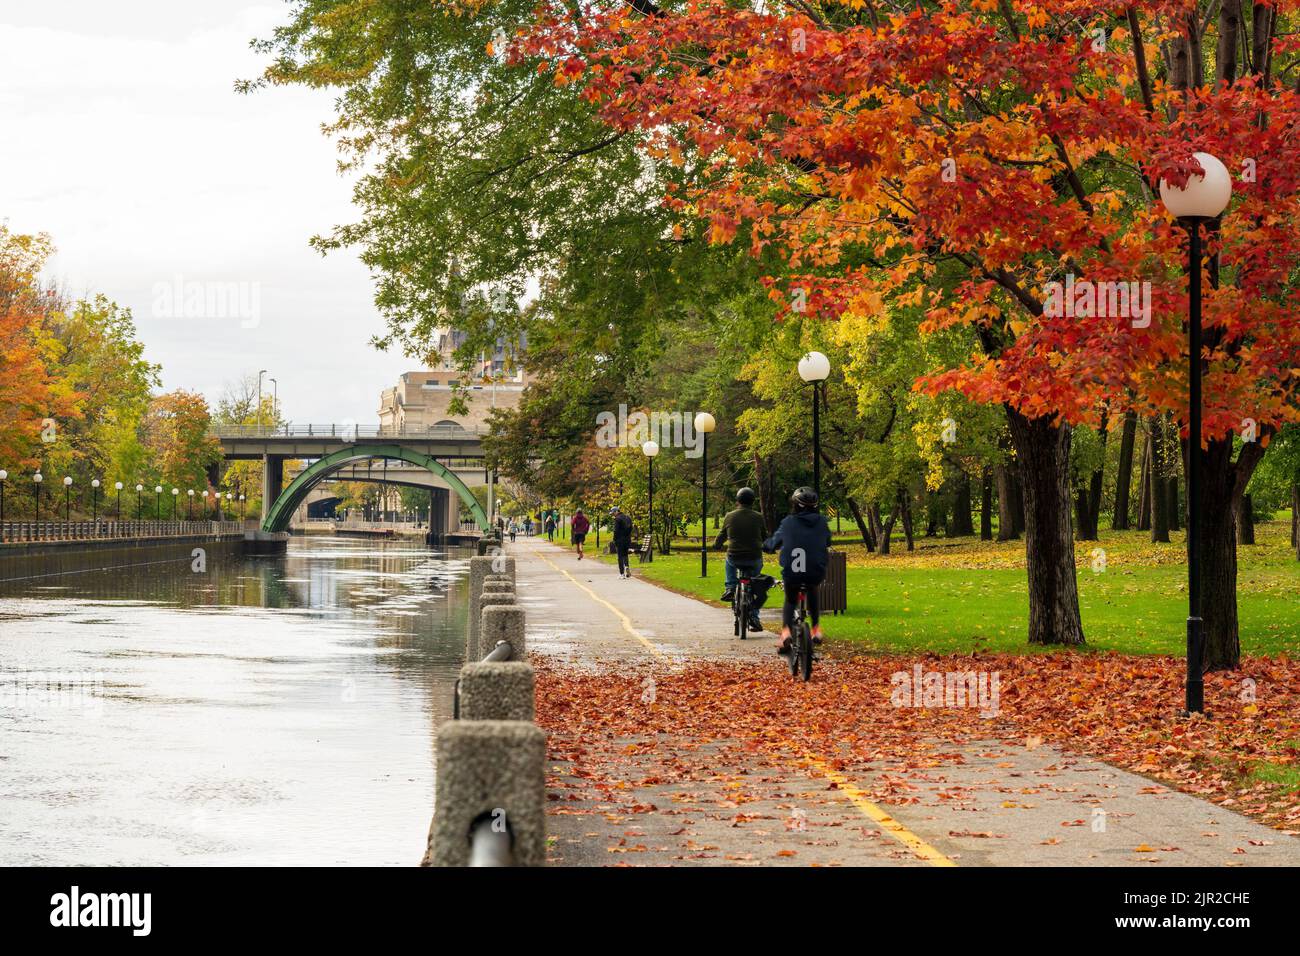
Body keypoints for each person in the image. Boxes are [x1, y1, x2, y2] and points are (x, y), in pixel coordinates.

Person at [763, 486, 831, 656]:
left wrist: (767, 546)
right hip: (815, 570)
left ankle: (786, 632)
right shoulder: (822, 521)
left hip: (793, 572)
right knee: (812, 589)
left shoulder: (788, 522)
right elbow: (828, 541)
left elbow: (774, 542)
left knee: (790, 599)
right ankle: (815, 628)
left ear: (795, 504)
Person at [712, 487, 768, 632]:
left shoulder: (729, 516)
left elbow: (722, 535)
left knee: (728, 560)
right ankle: (754, 618)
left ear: (738, 501)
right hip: (754, 557)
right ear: (753, 501)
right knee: (754, 584)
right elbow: (764, 536)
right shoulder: (758, 517)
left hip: (735, 556)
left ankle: (730, 587)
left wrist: (717, 545)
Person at [611, 506, 634, 578]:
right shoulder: (628, 517)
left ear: (616, 511)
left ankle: (622, 574)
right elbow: (631, 528)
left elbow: (616, 531)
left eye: (613, 513)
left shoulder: (617, 519)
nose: (613, 515)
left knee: (620, 556)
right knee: (625, 554)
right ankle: (627, 566)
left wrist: (614, 539)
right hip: (627, 540)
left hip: (619, 540)